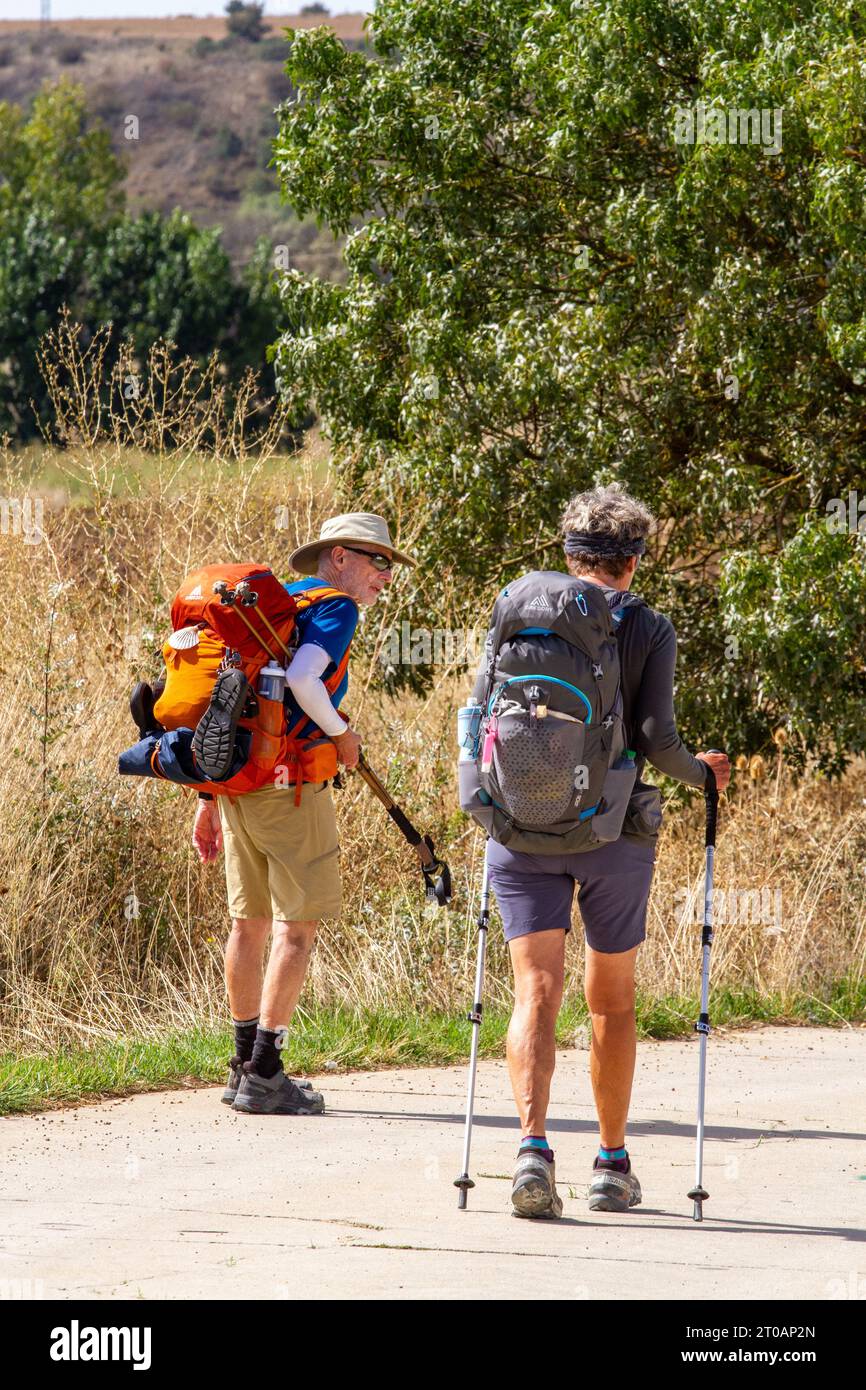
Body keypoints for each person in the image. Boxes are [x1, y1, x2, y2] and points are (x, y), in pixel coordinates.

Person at [482, 483, 730, 1218]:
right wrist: (704, 775)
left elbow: (480, 715)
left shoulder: (518, 606)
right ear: (634, 559)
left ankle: (532, 1151)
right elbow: (656, 738)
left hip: (520, 827)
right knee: (610, 1001)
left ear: (568, 552)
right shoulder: (647, 625)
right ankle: (611, 1165)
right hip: (614, 831)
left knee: (536, 991)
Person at [191, 513, 415, 1115]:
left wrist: (208, 798)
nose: (385, 578)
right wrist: (342, 732)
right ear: (338, 558)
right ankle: (266, 1072)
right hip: (292, 790)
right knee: (297, 928)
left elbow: (229, 702)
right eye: (379, 563)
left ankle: (242, 1066)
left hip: (239, 784)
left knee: (248, 925)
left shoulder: (274, 608)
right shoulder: (337, 608)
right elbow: (302, 678)